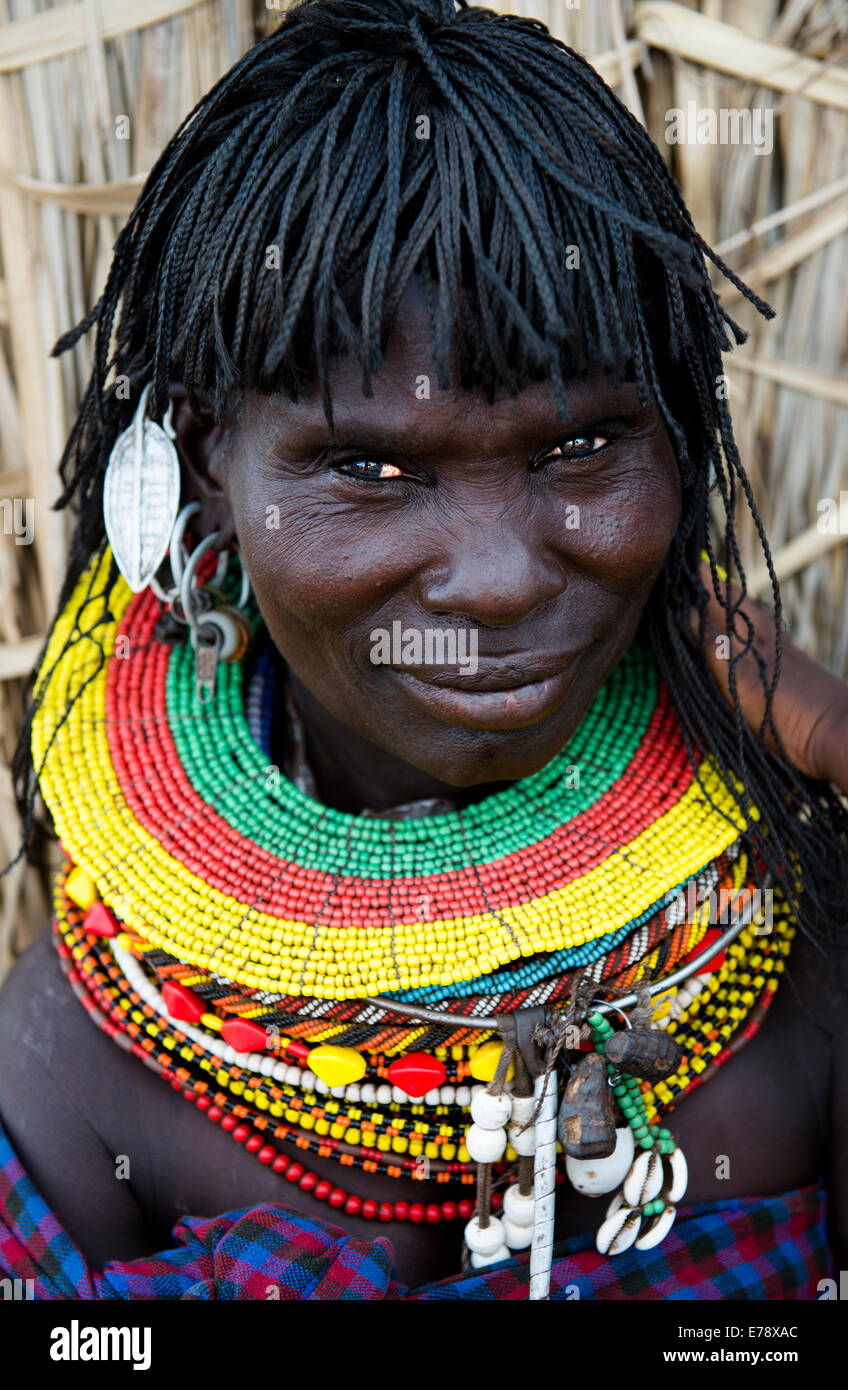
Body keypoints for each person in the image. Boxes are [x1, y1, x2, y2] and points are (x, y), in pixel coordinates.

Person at [0, 0, 846, 1301]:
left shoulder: (800, 947)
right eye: (374, 467)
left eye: (580, 447)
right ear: (210, 457)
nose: (503, 580)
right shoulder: (81, 1060)